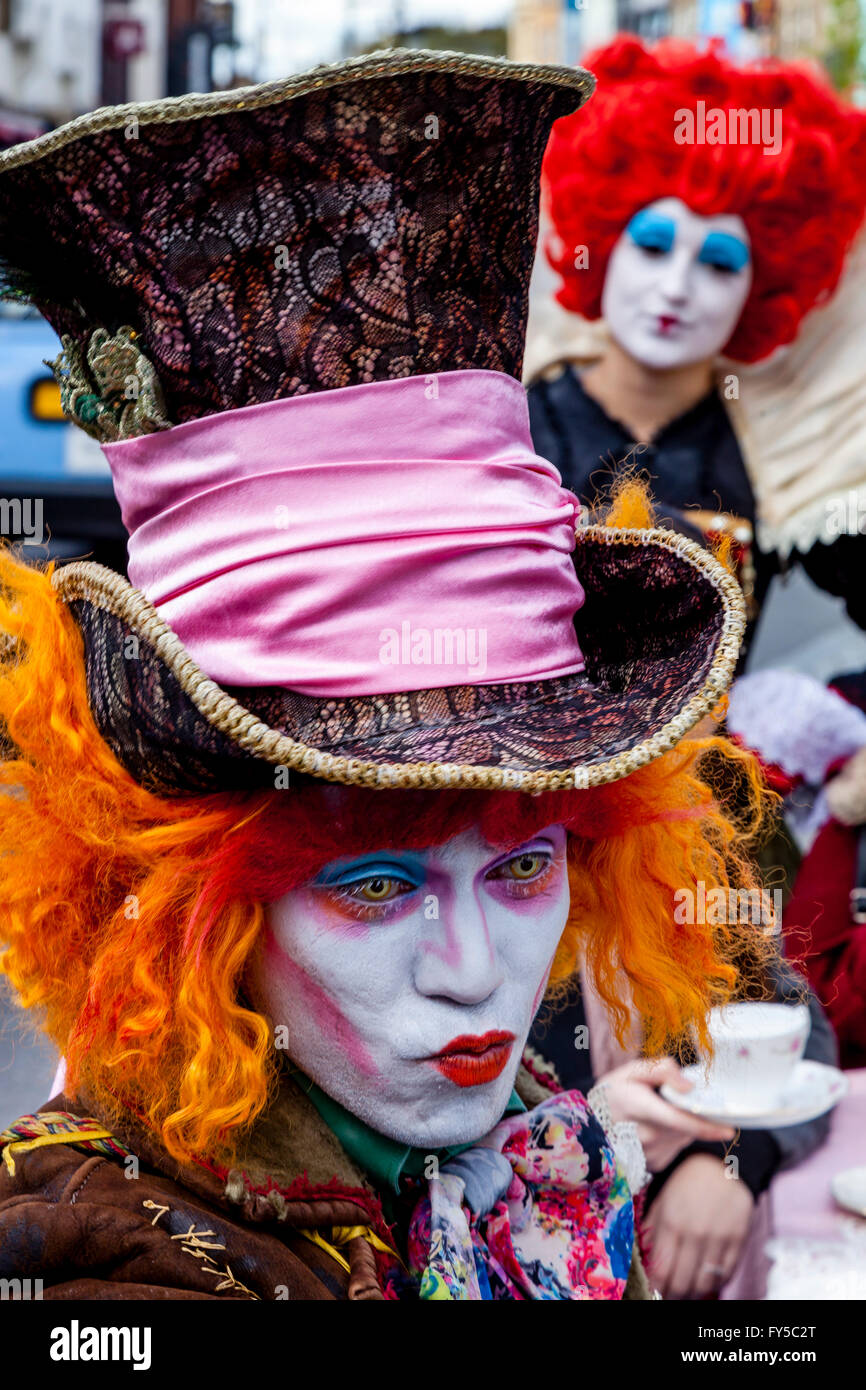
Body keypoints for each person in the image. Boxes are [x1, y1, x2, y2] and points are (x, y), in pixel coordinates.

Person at [0, 47, 768, 1301]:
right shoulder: (116, 1264)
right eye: (370, 882)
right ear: (204, 907)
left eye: (524, 865)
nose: (473, 971)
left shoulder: (513, 1144)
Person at [527, 36, 866, 641]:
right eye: (654, 248)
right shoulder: (514, 429)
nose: (677, 288)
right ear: (604, 249)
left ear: (760, 290)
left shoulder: (783, 459)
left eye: (718, 263)